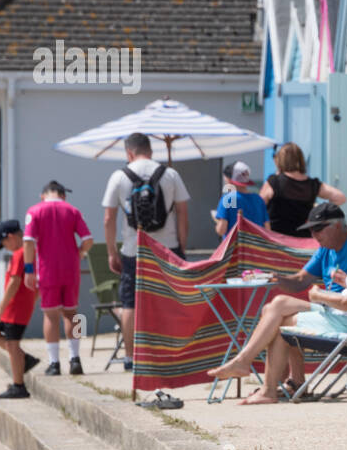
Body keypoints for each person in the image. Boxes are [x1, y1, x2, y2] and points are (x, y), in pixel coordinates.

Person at [206, 204, 347, 404]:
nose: (313, 235)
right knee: (274, 310)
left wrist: (319, 295)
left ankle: (262, 379)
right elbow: (307, 281)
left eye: (318, 229)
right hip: (345, 316)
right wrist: (273, 277)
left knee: (281, 318)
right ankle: (271, 382)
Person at [102, 132, 191, 372]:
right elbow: (182, 212)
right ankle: (171, 354)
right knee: (171, 299)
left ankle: (131, 358)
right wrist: (181, 245)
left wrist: (112, 252)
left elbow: (109, 217)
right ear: (151, 151)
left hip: (134, 249)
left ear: (129, 152)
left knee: (130, 303)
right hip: (167, 248)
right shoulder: (170, 174)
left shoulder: (119, 176)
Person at [23, 181, 93, 376]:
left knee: (50, 315)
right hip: (71, 269)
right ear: (63, 195)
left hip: (47, 270)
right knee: (73, 314)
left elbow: (28, 242)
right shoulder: (72, 210)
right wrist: (79, 252)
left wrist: (29, 269)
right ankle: (76, 359)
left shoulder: (34, 211)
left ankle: (54, 363)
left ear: (42, 195)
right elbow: (88, 240)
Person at [0, 219, 41, 398]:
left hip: (15, 307)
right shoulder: (25, 253)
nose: (5, 247)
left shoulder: (20, 253)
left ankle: (19, 386)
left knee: (12, 344)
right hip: (14, 307)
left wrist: (1, 307)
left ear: (10, 237)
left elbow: (15, 282)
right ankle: (25, 359)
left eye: (4, 243)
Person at [260, 142, 346, 236]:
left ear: (280, 160)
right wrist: (319, 212)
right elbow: (340, 197)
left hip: (278, 240)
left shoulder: (274, 182)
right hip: (303, 242)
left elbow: (258, 205)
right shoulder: (312, 184)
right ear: (300, 159)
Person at [213, 161, 270, 236]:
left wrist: (217, 222)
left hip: (235, 246)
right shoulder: (258, 199)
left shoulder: (228, 199)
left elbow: (221, 230)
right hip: (255, 246)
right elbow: (267, 229)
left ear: (229, 179)